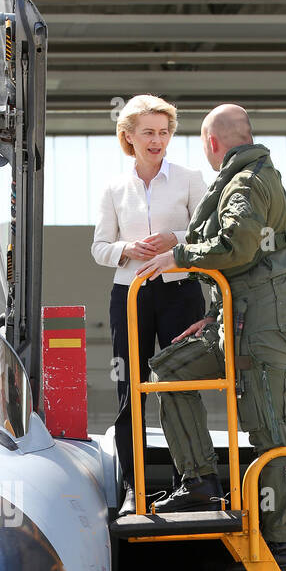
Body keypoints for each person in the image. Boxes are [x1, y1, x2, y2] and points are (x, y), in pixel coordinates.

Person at [136, 103, 286, 571]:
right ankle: (200, 482)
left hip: (263, 328)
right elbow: (245, 265)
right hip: (234, 320)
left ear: (212, 143)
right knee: (170, 371)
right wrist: (212, 317)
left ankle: (284, 542)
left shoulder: (248, 183)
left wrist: (179, 255)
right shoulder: (241, 180)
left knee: (270, 431)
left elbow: (237, 246)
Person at [91, 94, 208, 515]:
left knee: (180, 386)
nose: (158, 140)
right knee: (130, 391)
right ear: (129, 137)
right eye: (149, 133)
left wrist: (175, 239)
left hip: (180, 290)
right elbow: (100, 248)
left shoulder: (191, 178)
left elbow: (209, 231)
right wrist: (128, 248)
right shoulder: (114, 187)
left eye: (164, 132)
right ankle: (133, 491)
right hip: (131, 293)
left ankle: (190, 484)